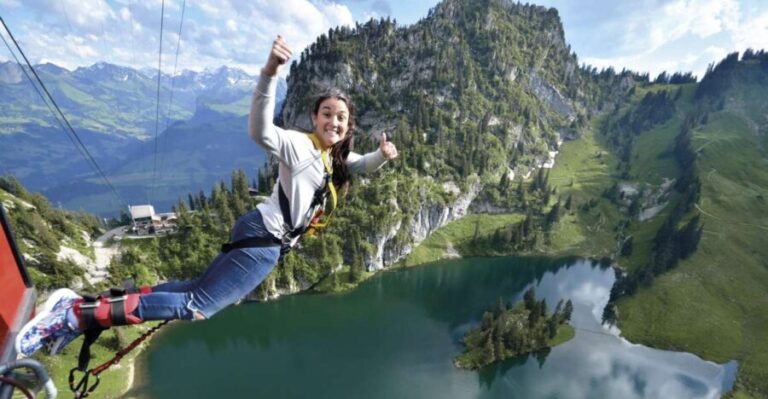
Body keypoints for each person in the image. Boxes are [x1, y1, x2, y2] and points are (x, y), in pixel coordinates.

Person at [16, 35, 399, 357]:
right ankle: (77, 314)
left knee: (190, 289)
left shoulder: (333, 157)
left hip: (259, 233)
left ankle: (91, 304)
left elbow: (359, 165)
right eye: (327, 113)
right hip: (262, 242)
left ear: (348, 126)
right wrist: (268, 74)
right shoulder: (300, 146)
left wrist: (381, 157)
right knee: (197, 306)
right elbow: (260, 131)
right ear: (315, 117)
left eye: (341, 117)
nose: (333, 121)